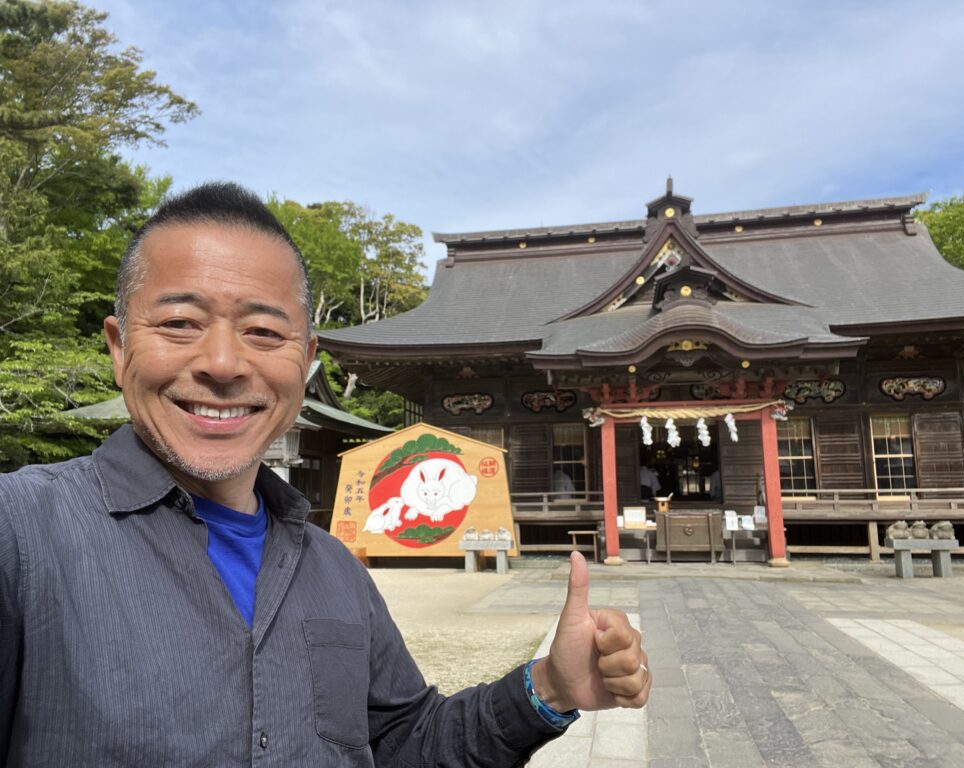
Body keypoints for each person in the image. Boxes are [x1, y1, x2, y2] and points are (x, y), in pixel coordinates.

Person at [0, 183, 650, 766]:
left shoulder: (334, 568)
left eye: (262, 331)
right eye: (179, 323)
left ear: (306, 361)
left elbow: (404, 741)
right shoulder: (22, 535)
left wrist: (548, 689)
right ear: (118, 347)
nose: (223, 363)